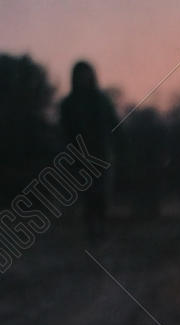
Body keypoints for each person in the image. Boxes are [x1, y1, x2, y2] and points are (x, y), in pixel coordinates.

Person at [58, 62, 117, 242]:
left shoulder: (102, 100)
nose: (84, 78)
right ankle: (92, 229)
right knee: (88, 194)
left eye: (86, 74)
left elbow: (114, 124)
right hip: (79, 155)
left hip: (102, 153)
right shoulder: (68, 104)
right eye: (80, 75)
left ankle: (102, 227)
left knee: (103, 193)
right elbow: (65, 130)